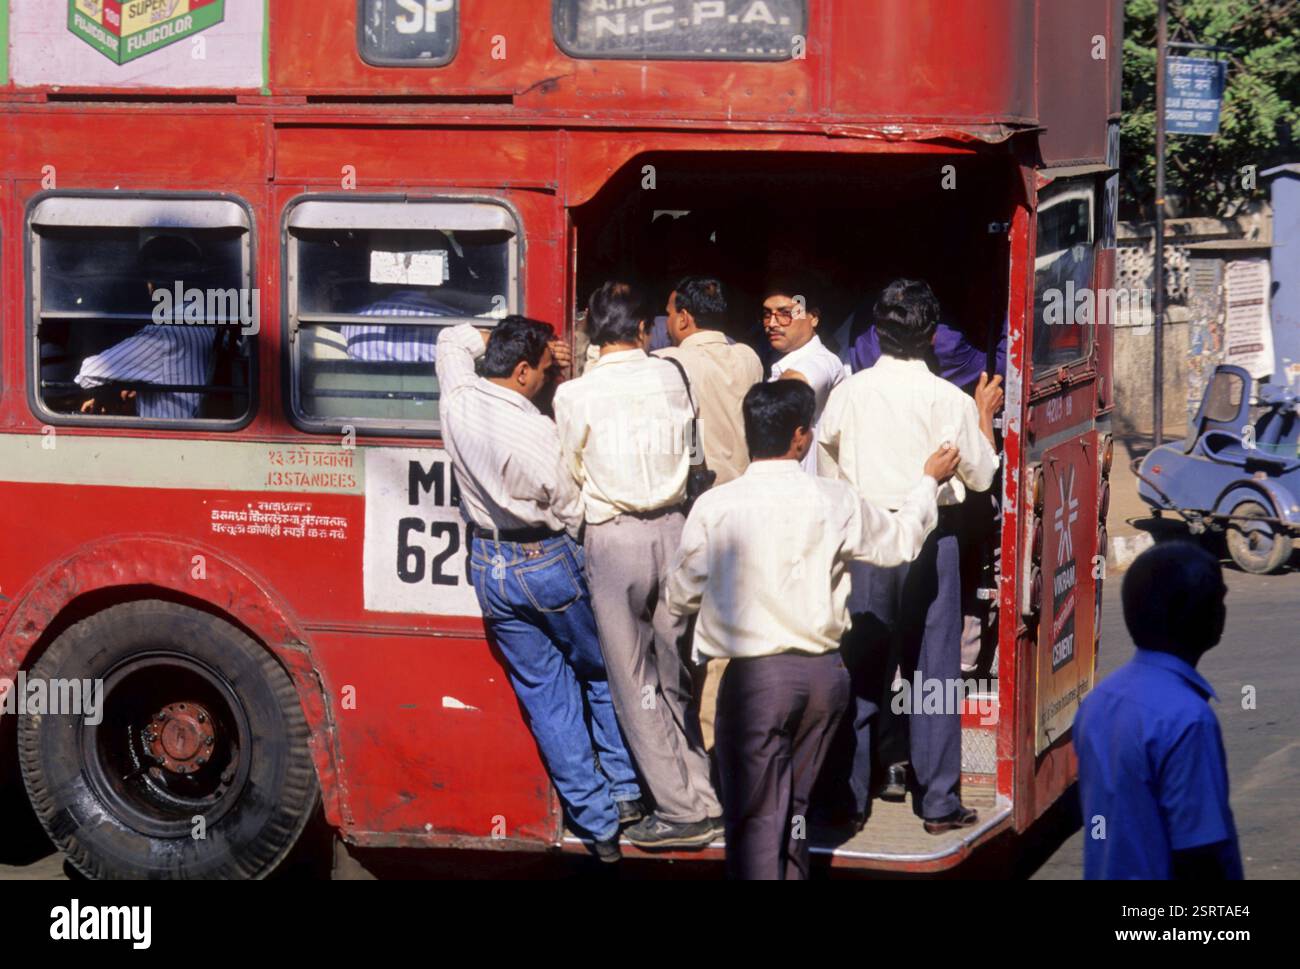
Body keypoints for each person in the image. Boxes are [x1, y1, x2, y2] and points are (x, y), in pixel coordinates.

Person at [666, 380, 960, 879]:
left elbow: (679, 596)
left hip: (756, 684)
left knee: (757, 818)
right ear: (801, 437)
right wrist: (927, 482)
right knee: (795, 810)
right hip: (825, 681)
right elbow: (900, 543)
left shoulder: (716, 506)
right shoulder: (834, 499)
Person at [436, 316, 644, 863]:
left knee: (546, 698)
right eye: (547, 369)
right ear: (523, 372)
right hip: (544, 559)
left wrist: (495, 340)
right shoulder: (541, 435)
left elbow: (450, 338)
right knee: (602, 671)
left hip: (487, 564)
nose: (553, 377)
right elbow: (573, 512)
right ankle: (625, 792)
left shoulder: (457, 396)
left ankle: (597, 828)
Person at [817, 278, 1002, 833]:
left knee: (861, 668)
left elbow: (827, 451)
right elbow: (982, 474)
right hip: (930, 540)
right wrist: (983, 419)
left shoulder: (850, 392)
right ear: (932, 336)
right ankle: (939, 802)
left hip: (868, 537)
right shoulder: (948, 401)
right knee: (933, 673)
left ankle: (849, 797)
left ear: (877, 332)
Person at [553, 281, 723, 850]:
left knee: (634, 682)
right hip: (676, 531)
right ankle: (703, 792)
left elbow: (567, 476)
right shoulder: (673, 375)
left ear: (594, 334)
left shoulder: (574, 394)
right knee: (677, 672)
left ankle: (679, 810)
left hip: (615, 536)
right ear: (643, 330)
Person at [1074, 542, 1243, 880]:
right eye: (1218, 599)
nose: (1223, 609)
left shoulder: (1098, 701)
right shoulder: (1188, 718)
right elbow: (1199, 853)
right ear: (1197, 614)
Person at [75, 234, 218, 420]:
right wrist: (136, 383)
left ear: (152, 284)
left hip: (166, 438)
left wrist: (116, 385)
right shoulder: (207, 321)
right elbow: (174, 371)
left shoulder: (164, 333)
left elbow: (89, 373)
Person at [655, 276, 764, 485]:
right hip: (746, 486)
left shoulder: (667, 362)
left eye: (669, 314)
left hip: (701, 491)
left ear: (683, 318)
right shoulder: (749, 357)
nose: (666, 322)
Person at [763, 278, 846, 475]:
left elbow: (793, 386)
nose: (772, 323)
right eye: (767, 315)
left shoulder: (824, 361)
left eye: (785, 314)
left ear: (813, 317)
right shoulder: (761, 360)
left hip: (808, 493)